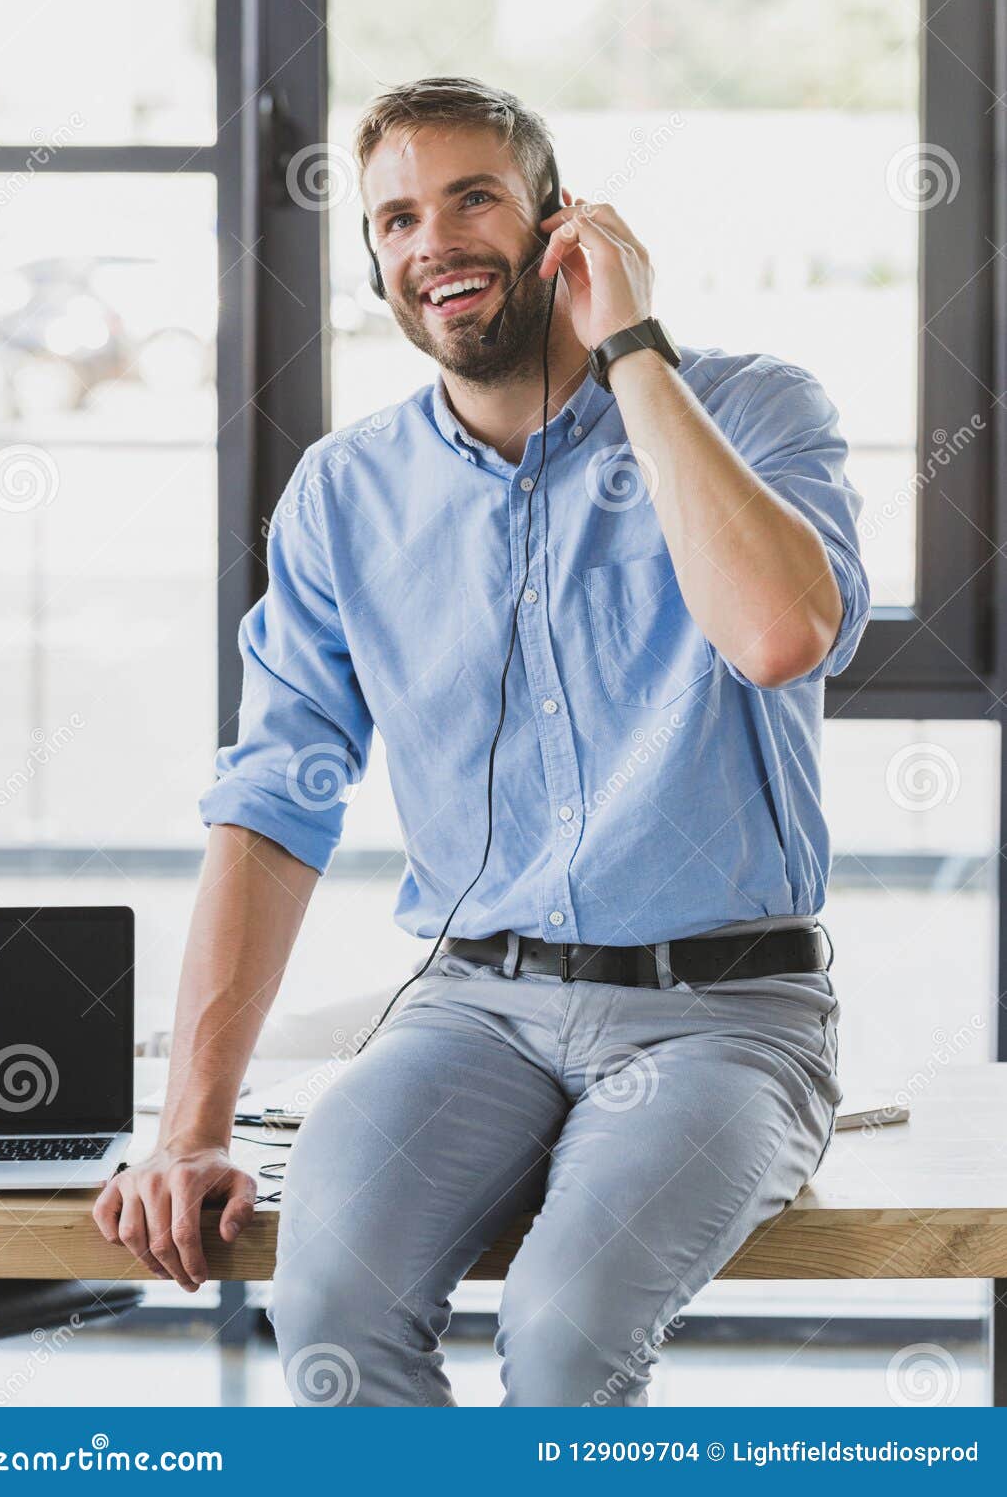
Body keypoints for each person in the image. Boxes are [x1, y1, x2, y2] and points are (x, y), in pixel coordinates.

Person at [94, 77, 869, 1407]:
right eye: (396, 219)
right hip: (474, 1010)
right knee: (328, 1309)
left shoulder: (751, 410)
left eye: (472, 200)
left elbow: (779, 635)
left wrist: (632, 349)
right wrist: (190, 1127)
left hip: (726, 1020)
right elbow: (272, 806)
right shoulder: (347, 494)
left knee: (566, 1333)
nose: (433, 241)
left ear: (559, 223)